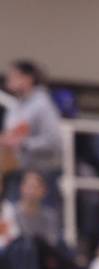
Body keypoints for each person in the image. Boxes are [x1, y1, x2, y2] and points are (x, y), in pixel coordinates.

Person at [1, 60, 62, 203]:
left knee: (42, 214)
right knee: (14, 212)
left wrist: (23, 143)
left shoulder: (42, 104)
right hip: (16, 170)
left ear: (28, 79)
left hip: (41, 174)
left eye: (14, 76)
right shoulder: (16, 105)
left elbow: (54, 141)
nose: (9, 79)